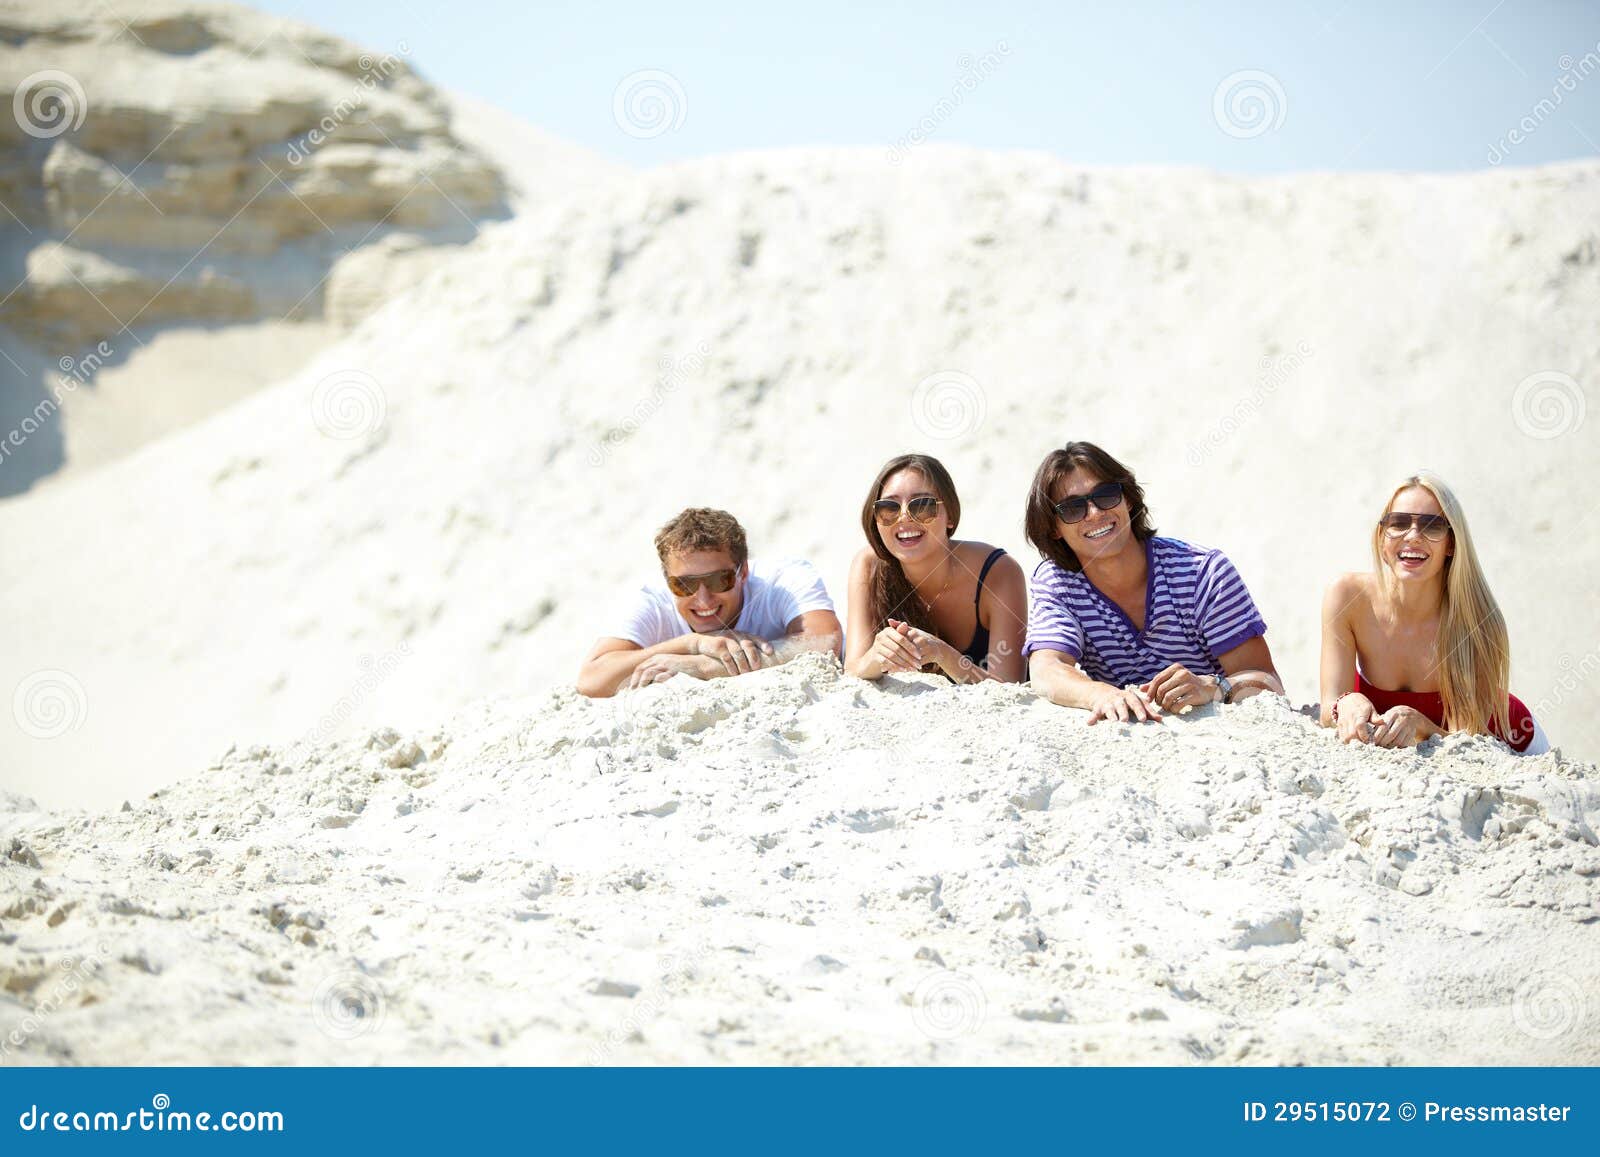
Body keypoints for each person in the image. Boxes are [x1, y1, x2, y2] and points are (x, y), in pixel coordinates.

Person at [1022, 441, 1282, 723]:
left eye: (1106, 495)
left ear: (1128, 500)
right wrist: (1099, 694)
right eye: (1073, 508)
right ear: (1053, 528)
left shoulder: (1203, 572)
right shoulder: (1058, 583)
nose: (1095, 513)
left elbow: (1268, 683)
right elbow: (1046, 669)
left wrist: (1212, 687)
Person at [1319, 472, 1548, 753]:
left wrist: (1420, 725)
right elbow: (1327, 709)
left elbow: (1470, 742)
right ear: (1381, 539)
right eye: (1399, 523)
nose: (1413, 536)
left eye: (1432, 526)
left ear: (1451, 544)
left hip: (1513, 741)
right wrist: (1345, 703)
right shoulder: (1347, 596)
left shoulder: (1476, 618)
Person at [577, 507, 842, 697]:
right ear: (667, 581)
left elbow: (825, 642)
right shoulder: (650, 601)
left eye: (719, 580)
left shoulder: (782, 579)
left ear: (743, 572)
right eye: (684, 585)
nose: (703, 599)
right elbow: (590, 679)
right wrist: (691, 644)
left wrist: (700, 666)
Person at [844, 453, 1026, 683]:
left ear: (950, 516)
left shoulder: (998, 572)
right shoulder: (868, 565)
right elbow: (852, 670)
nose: (904, 517)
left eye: (922, 505)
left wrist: (942, 653)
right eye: (889, 507)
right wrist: (876, 656)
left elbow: (1010, 689)